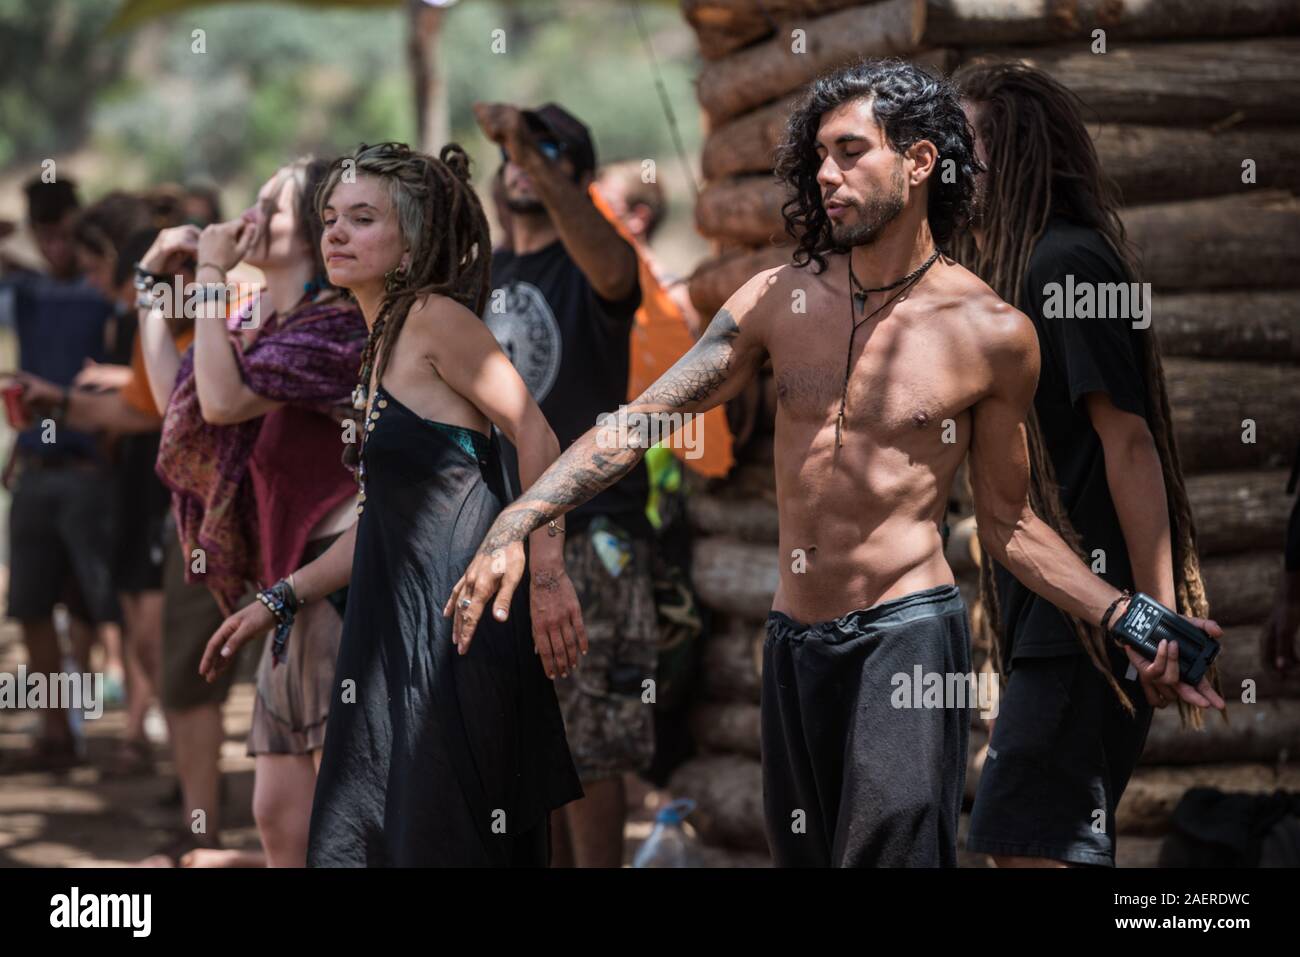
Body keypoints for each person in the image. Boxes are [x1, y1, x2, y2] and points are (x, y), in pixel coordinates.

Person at [445, 59, 1226, 868]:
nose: (826, 173)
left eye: (850, 152)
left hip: (906, 639)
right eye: (818, 154)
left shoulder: (992, 333)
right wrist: (521, 513)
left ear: (921, 163)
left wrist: (1128, 613)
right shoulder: (773, 301)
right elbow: (641, 421)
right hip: (793, 642)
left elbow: (1011, 524)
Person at [200, 142, 584, 867]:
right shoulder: (378, 344)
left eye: (362, 218)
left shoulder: (436, 320)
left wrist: (549, 571)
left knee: (445, 842)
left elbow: (536, 431)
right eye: (330, 218)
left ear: (410, 241)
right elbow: (383, 517)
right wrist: (281, 598)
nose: (335, 233)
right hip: (388, 639)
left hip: (457, 637)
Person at [953, 62, 1224, 868]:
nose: (947, 167)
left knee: (1032, 850)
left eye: (964, 146)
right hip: (1059, 621)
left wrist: (1155, 622)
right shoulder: (1019, 268)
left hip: (1089, 626)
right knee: (1032, 847)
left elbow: (1130, 443)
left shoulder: (1064, 265)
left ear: (1011, 155)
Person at [137, 158, 365, 867]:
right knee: (277, 815)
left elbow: (223, 401)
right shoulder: (254, 317)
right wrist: (153, 292)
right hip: (279, 588)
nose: (253, 216)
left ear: (316, 229)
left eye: (275, 205)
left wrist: (207, 278)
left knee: (340, 812)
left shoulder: (336, 326)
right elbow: (181, 401)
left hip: (337, 586)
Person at [475, 101, 656, 868]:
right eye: (513, 149)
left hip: (591, 532)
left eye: (546, 151)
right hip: (498, 533)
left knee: (591, 747)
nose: (521, 159)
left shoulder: (594, 262)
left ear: (572, 175)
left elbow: (618, 274)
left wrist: (530, 153)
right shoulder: (487, 271)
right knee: (521, 742)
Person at [13, 192, 178, 778]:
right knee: (72, 611)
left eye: (87, 257)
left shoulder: (148, 311)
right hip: (88, 474)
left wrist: (67, 399)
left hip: (135, 483)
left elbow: (150, 408)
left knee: (133, 620)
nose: (74, 263)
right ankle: (76, 734)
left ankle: (150, 740)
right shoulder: (36, 294)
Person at [0, 176, 118, 774]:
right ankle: (56, 729)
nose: (53, 248)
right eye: (42, 235)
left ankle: (109, 728)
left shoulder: (105, 292)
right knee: (32, 605)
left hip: (93, 468)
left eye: (63, 234)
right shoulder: (25, 290)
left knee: (101, 608)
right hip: (37, 468)